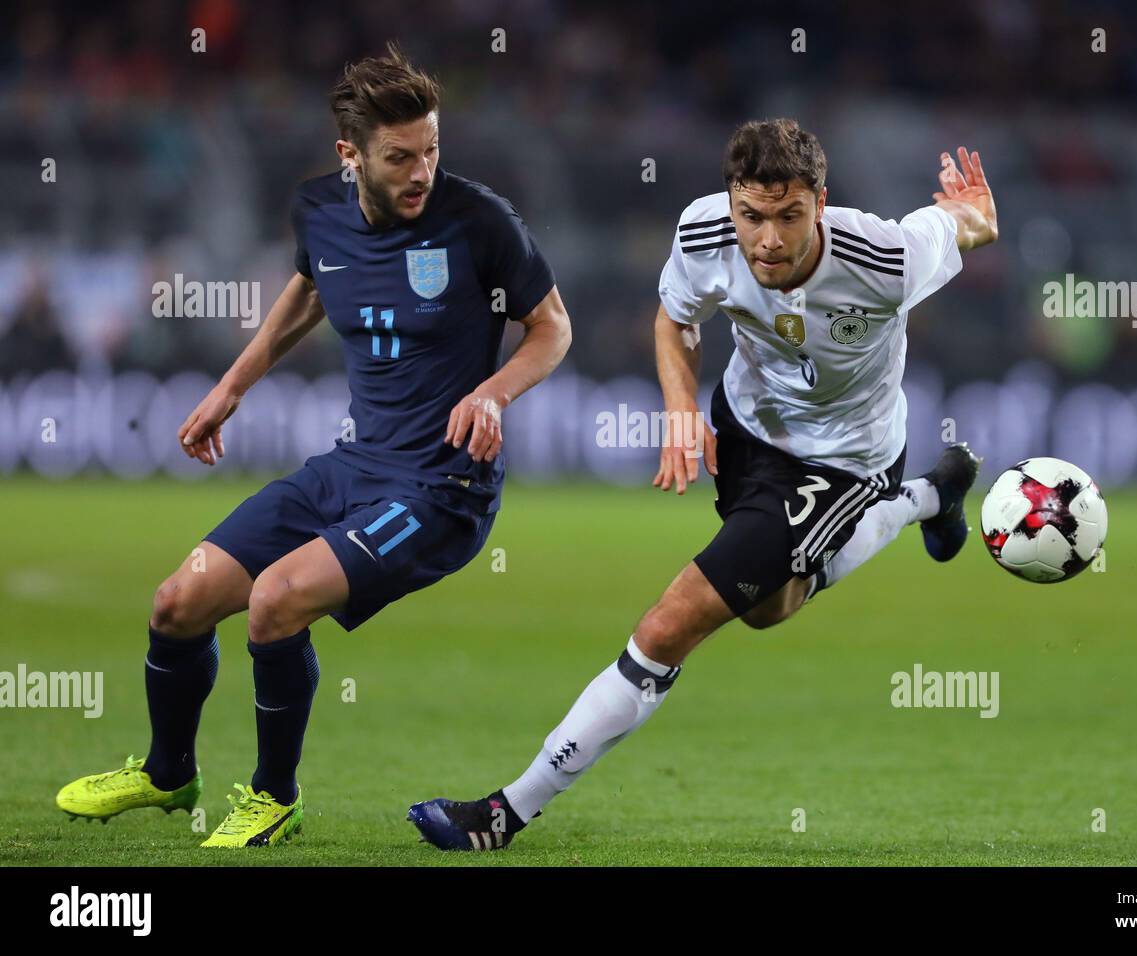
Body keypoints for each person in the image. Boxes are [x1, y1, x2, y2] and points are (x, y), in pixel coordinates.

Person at [409, 118, 997, 851]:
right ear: (731, 203)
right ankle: (928, 497)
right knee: (765, 609)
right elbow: (674, 322)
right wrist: (683, 413)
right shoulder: (703, 233)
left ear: (822, 200)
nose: (770, 240)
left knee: (669, 625)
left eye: (790, 216)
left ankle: (503, 813)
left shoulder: (885, 257)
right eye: (753, 216)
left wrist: (974, 213)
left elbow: (958, 226)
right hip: (745, 429)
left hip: (841, 461)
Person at [55, 43, 572, 847]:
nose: (421, 172)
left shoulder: (480, 222)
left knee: (275, 601)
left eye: (432, 149)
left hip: (440, 487)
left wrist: (491, 391)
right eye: (400, 157)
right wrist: (232, 387)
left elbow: (553, 328)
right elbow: (309, 290)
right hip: (354, 465)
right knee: (178, 602)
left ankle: (275, 795)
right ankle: (166, 773)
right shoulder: (319, 213)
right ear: (350, 156)